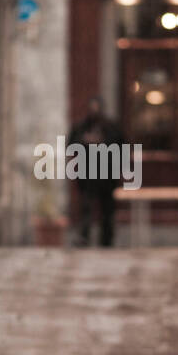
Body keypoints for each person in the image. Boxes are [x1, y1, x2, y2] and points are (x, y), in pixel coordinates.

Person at [67, 96, 126, 247]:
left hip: (107, 175)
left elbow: (121, 144)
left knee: (107, 210)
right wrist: (85, 141)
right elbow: (71, 144)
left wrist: (102, 142)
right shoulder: (81, 126)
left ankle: (106, 241)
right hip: (87, 174)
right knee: (86, 207)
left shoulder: (110, 127)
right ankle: (84, 237)